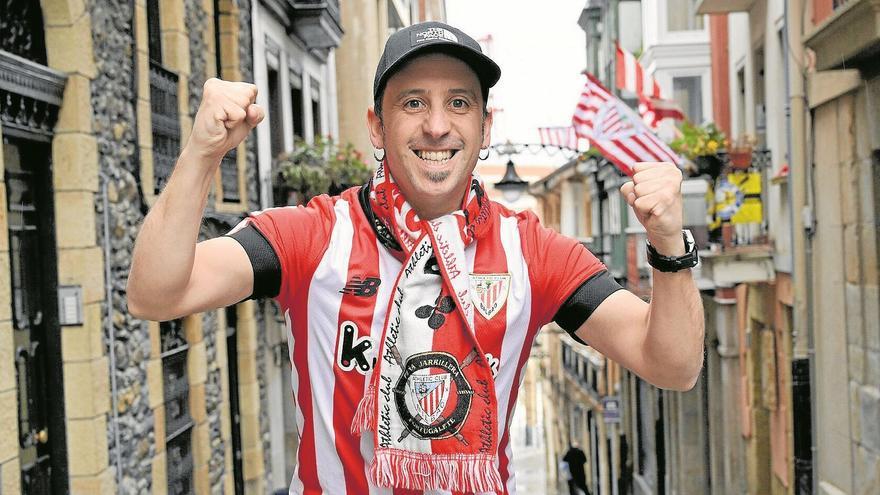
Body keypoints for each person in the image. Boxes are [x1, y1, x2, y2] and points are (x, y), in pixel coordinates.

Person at [127, 21, 704, 494]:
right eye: (413, 102)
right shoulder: (314, 236)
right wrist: (202, 152)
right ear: (377, 127)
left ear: (484, 127)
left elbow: (673, 365)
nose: (436, 125)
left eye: (459, 103)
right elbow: (156, 293)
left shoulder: (532, 251)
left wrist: (668, 246)